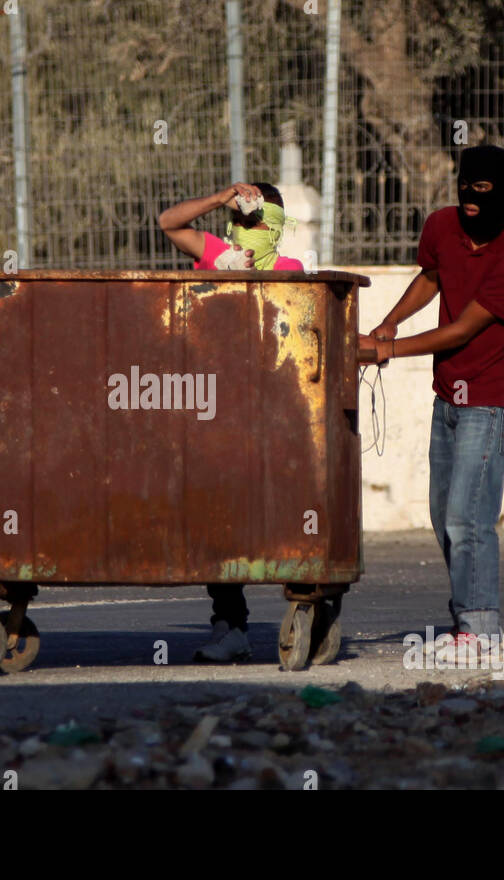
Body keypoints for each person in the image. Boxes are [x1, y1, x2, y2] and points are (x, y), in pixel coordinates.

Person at [360, 145, 504, 648]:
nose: (470, 197)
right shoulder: (441, 225)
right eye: (465, 185)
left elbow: (461, 332)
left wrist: (384, 350)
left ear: (503, 191)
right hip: (449, 398)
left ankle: (479, 628)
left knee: (469, 516)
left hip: (490, 399)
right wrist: (390, 321)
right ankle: (466, 618)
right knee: (444, 515)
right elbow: (432, 276)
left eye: (482, 189)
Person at [158, 182, 303, 662]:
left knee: (278, 509)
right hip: (214, 408)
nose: (245, 229)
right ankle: (230, 624)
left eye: (255, 219)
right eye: (239, 219)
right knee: (214, 514)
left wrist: (255, 287)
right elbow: (169, 223)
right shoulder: (215, 253)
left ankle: (308, 602)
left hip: (270, 409)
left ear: (275, 225)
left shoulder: (291, 271)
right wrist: (221, 199)